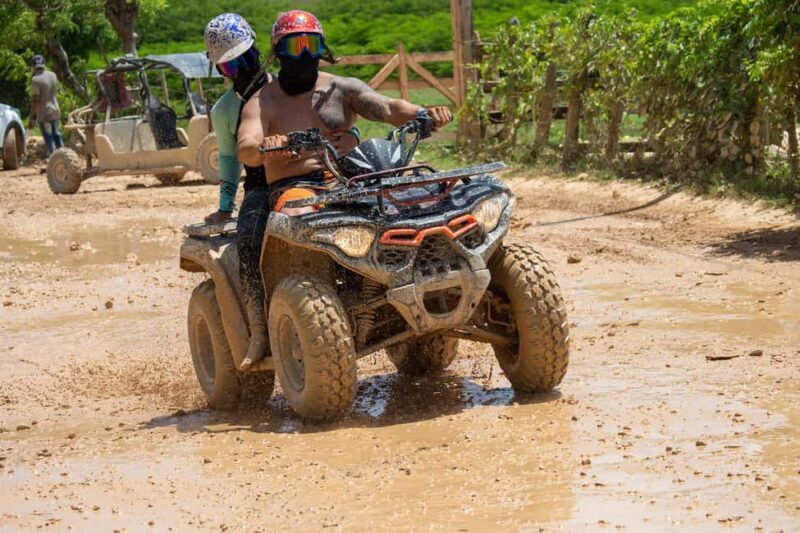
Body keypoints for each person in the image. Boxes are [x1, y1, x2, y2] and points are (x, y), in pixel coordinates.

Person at [237, 10, 453, 219]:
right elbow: (246, 148)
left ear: (323, 49)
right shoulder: (262, 101)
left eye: (312, 46)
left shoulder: (341, 89)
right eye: (295, 47)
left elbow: (389, 108)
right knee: (297, 216)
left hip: (354, 179)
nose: (304, 54)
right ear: (278, 52)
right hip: (298, 187)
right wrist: (266, 147)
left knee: (416, 202)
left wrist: (425, 114)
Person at [203, 13, 273, 371]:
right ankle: (259, 331)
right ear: (220, 72)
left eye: (243, 60)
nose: (240, 71)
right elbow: (230, 159)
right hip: (263, 187)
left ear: (256, 51)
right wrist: (225, 206)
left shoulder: (285, 85)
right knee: (247, 243)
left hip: (312, 176)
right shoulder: (225, 110)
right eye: (230, 68)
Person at [27, 55, 63, 157]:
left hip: (44, 114)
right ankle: (64, 159)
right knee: (57, 135)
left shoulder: (35, 80)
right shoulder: (53, 75)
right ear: (44, 64)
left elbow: (35, 101)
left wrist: (31, 118)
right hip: (55, 110)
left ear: (33, 66)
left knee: (49, 139)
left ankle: (52, 161)